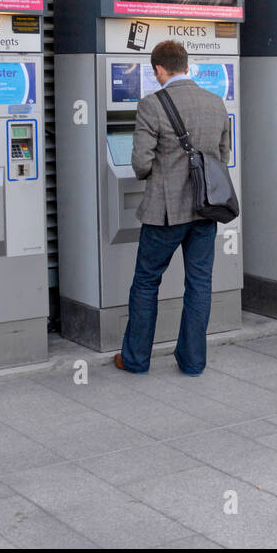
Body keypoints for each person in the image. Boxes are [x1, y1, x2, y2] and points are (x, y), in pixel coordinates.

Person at [115, 41, 230, 376]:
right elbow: (222, 157)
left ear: (159, 70)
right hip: (206, 209)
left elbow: (140, 163)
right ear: (186, 65)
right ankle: (193, 361)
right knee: (199, 283)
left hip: (164, 212)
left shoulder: (151, 105)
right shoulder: (215, 103)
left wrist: (162, 173)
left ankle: (136, 359)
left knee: (147, 282)